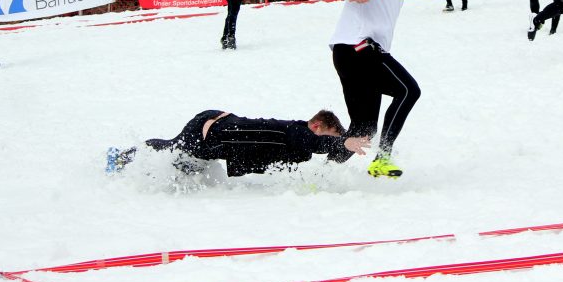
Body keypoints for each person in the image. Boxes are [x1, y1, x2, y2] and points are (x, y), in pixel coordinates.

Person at [329, 0, 425, 177]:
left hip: (348, 53)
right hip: (360, 48)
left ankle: (321, 171)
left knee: (363, 129)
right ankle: (382, 158)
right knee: (408, 90)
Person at [107, 109, 371, 177]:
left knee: (180, 166)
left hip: (217, 132)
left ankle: (128, 158)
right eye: (328, 136)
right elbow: (312, 144)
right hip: (209, 130)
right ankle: (121, 156)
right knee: (171, 151)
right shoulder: (296, 131)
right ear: (316, 127)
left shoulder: (297, 139)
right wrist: (344, 143)